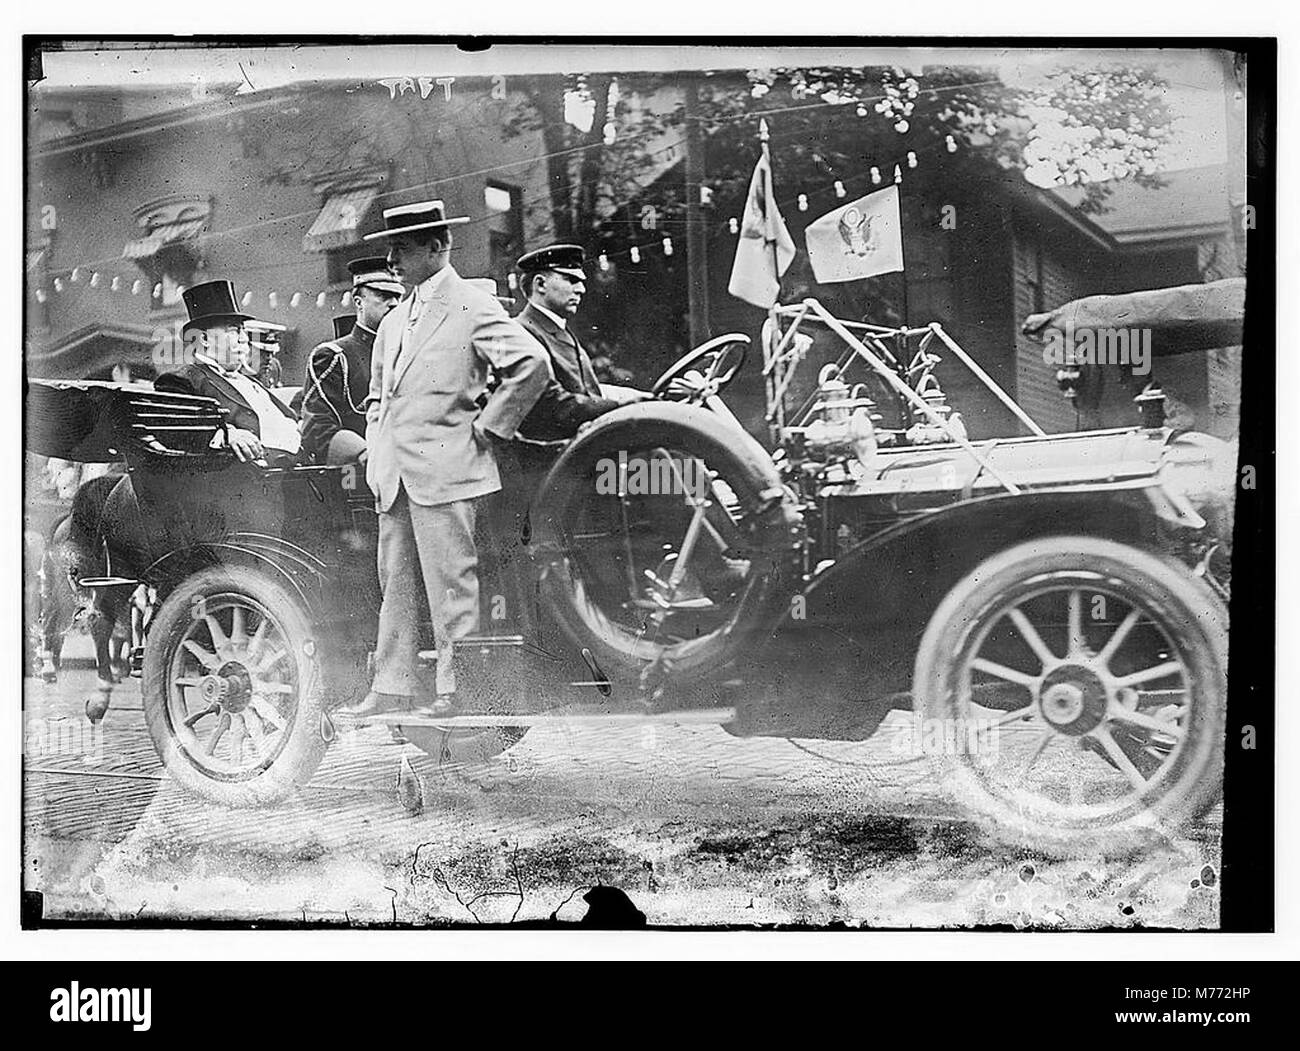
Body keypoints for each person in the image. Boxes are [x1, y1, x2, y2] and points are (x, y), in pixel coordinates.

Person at [346, 200, 550, 718]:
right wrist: (376, 450)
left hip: (450, 469)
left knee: (452, 586)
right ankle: (391, 686)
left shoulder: (472, 304)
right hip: (394, 477)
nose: (392, 258)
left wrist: (487, 428)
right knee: (394, 584)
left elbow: (531, 364)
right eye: (390, 248)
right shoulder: (394, 320)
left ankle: (455, 690)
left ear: (438, 247)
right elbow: (378, 397)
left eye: (402, 248)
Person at [154, 280, 301, 465]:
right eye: (234, 331)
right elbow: (174, 429)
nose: (244, 339)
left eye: (243, 332)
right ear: (205, 338)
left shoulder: (251, 382)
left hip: (298, 466)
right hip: (254, 477)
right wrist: (226, 434)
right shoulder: (184, 380)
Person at [514, 243, 650, 442]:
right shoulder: (522, 332)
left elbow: (585, 390)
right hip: (560, 456)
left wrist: (636, 398)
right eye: (571, 280)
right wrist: (621, 407)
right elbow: (551, 405)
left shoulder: (555, 329)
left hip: (587, 443)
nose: (581, 289)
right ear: (540, 284)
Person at [299, 258, 404, 464]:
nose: (393, 303)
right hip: (356, 471)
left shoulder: (406, 352)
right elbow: (317, 426)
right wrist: (364, 454)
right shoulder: (334, 356)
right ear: (358, 302)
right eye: (383, 295)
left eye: (398, 296)